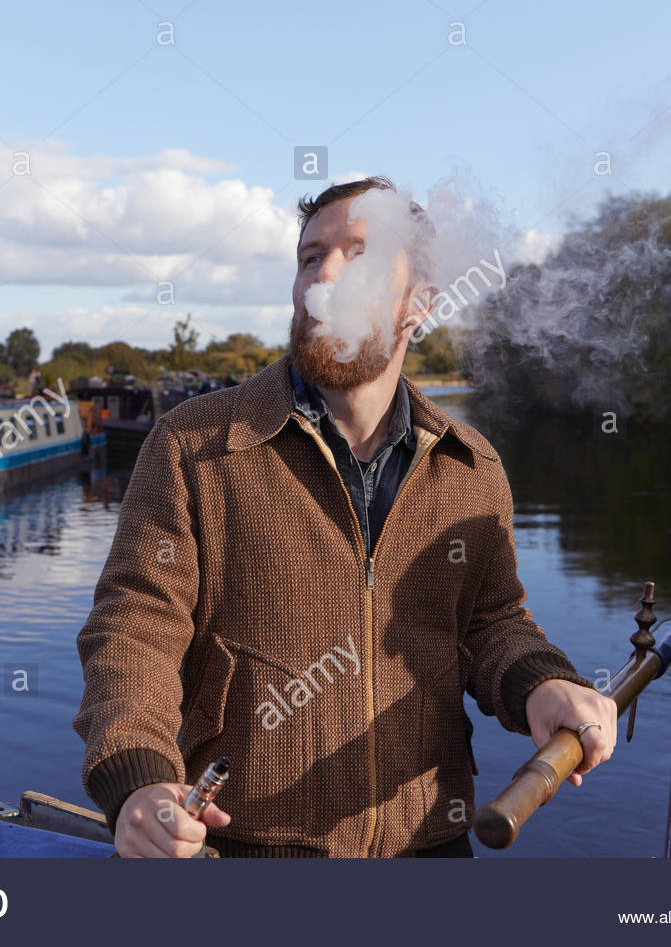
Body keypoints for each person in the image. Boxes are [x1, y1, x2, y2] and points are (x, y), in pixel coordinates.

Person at [72, 176, 618, 858]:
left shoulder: (470, 465)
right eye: (311, 258)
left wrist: (543, 683)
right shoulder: (196, 444)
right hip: (246, 850)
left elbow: (492, 622)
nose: (323, 278)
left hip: (431, 846)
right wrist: (138, 781)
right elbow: (136, 630)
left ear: (420, 303)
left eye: (358, 255)